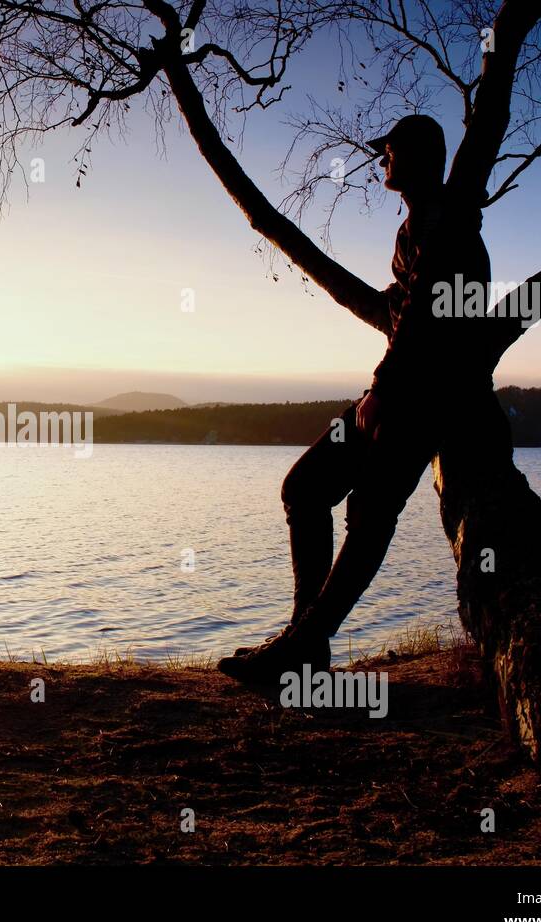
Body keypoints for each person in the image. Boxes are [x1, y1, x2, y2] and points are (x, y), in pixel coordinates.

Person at [218, 114, 500, 683]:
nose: (382, 159)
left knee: (369, 514)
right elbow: (403, 306)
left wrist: (382, 387)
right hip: (399, 387)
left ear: (417, 155)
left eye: (390, 150)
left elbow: (428, 316)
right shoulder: (415, 227)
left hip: (427, 397)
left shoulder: (447, 225)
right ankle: (303, 641)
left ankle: (304, 645)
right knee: (304, 490)